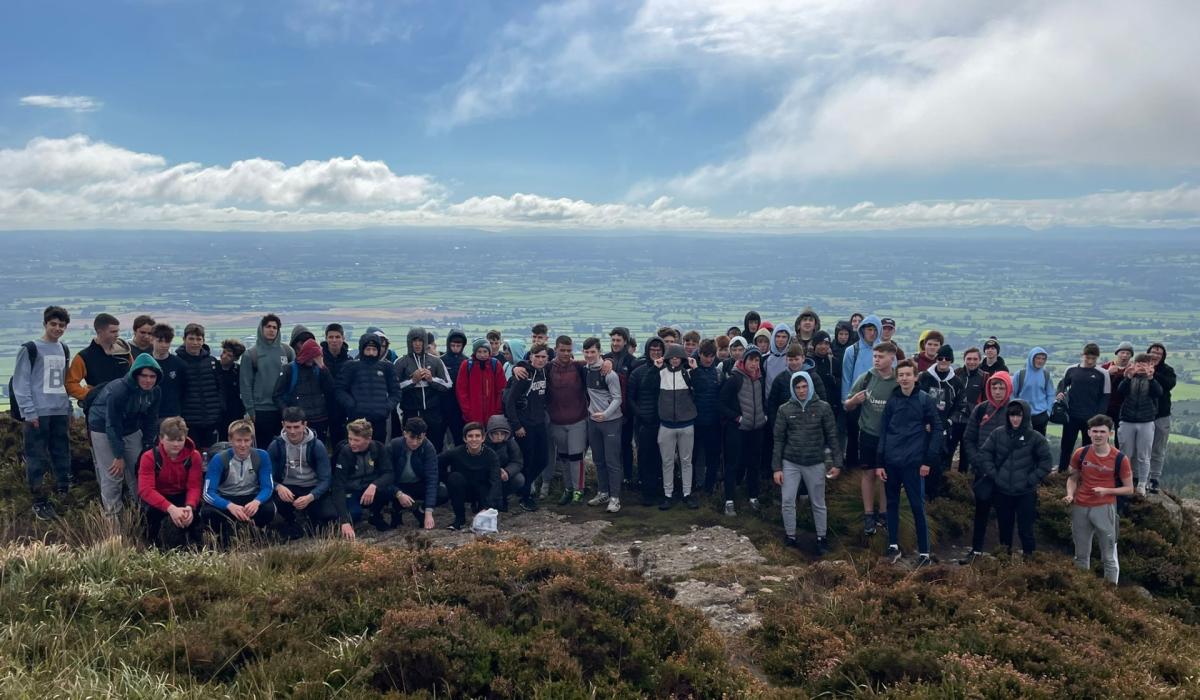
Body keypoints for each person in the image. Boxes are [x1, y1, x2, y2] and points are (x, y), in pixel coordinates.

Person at [876, 359, 942, 565]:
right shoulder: (892, 401)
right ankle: (893, 547)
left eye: (908, 374)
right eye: (901, 375)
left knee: (916, 506)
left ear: (915, 377)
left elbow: (937, 429)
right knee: (892, 505)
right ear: (897, 378)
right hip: (892, 462)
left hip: (914, 463)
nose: (904, 378)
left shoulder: (924, 400)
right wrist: (880, 463)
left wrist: (927, 461)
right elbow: (884, 431)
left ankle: (924, 553)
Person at [12, 305, 73, 519]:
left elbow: (64, 382)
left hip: (59, 411)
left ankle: (63, 492)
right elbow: (21, 383)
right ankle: (39, 499)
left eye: (61, 325)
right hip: (37, 413)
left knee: (61, 452)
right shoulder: (30, 349)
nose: (57, 328)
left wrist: (68, 408)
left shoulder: (64, 349)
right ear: (45, 324)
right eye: (53, 324)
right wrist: (29, 412)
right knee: (36, 456)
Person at [772, 371, 842, 554]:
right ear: (793, 389)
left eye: (804, 386)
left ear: (810, 386)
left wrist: (837, 463)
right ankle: (790, 537)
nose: (801, 390)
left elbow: (832, 435)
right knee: (787, 500)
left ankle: (821, 538)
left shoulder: (823, 408)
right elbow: (778, 439)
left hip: (815, 461)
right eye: (798, 387)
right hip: (791, 461)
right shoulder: (784, 409)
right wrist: (777, 468)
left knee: (818, 501)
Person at [88, 353, 162, 518]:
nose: (148, 380)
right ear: (135, 375)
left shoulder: (155, 392)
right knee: (113, 475)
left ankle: (144, 516)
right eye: (144, 376)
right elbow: (112, 424)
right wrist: (118, 454)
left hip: (131, 427)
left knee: (140, 471)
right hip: (103, 428)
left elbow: (151, 419)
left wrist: (148, 446)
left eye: (152, 376)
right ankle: (113, 523)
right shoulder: (119, 391)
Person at [976, 401, 1053, 557]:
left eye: (1019, 415)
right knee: (1004, 529)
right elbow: (985, 454)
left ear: (1025, 416)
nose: (1015, 419)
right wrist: (995, 475)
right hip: (1002, 490)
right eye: (1012, 415)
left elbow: (1046, 462)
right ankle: (1004, 564)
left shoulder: (1035, 437)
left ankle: (1030, 564)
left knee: (1026, 530)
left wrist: (1031, 479)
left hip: (1026, 492)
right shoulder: (998, 433)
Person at [1065, 415, 1134, 584]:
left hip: (1105, 507)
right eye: (1094, 431)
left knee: (1109, 557)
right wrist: (1069, 494)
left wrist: (1106, 491)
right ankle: (1083, 591)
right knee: (1080, 555)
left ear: (1110, 434)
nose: (1098, 435)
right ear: (1088, 432)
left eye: (1102, 432)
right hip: (1080, 506)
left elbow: (1129, 489)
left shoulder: (1120, 458)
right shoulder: (1080, 453)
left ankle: (1110, 594)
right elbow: (1072, 478)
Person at [843, 340, 898, 536]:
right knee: (868, 474)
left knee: (884, 475)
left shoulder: (898, 381)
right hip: (868, 434)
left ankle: (883, 513)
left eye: (880, 357)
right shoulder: (866, 378)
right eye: (875, 356)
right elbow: (847, 404)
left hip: (890, 437)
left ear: (891, 358)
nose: (876, 360)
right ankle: (868, 515)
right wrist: (854, 401)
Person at [960, 372, 1013, 564]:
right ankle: (975, 551)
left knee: (1005, 515)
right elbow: (969, 438)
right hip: (983, 473)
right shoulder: (981, 409)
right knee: (980, 513)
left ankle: (1004, 555)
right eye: (994, 387)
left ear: (1008, 388)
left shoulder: (1015, 410)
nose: (997, 391)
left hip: (1006, 475)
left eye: (1001, 388)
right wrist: (977, 461)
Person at [201, 419, 276, 544]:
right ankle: (222, 535)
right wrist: (229, 505)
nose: (243, 445)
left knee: (269, 509)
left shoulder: (262, 456)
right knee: (207, 512)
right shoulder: (219, 459)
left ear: (251, 440)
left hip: (251, 497)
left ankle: (257, 531)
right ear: (231, 440)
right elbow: (208, 493)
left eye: (246, 440)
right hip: (227, 498)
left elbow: (268, 487)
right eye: (238, 440)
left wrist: (256, 502)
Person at [267, 407, 336, 538]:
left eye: (296, 427)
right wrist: (278, 486)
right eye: (288, 427)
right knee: (274, 504)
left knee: (329, 516)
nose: (292, 431)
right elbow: (267, 476)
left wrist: (312, 496)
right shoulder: (276, 446)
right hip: (288, 487)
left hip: (311, 487)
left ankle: (309, 515)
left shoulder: (316, 445)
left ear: (305, 424)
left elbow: (326, 479)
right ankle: (291, 520)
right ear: (283, 425)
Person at [137, 416, 203, 549]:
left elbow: (194, 486)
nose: (176, 444)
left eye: (180, 440)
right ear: (161, 438)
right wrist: (171, 508)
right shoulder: (149, 457)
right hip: (158, 498)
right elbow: (145, 490)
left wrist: (189, 507)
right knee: (151, 529)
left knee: (196, 524)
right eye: (171, 440)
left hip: (183, 497)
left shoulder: (194, 456)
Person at [646, 342, 697, 511]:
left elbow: (701, 388)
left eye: (678, 357)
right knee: (667, 462)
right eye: (672, 357)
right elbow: (647, 385)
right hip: (666, 425)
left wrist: (694, 370)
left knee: (686, 461)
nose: (675, 360)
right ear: (668, 358)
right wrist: (655, 368)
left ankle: (687, 494)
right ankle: (668, 495)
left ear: (682, 358)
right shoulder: (660, 373)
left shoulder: (688, 373)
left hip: (687, 424)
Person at [719, 346, 768, 516]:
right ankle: (729, 501)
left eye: (757, 360)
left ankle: (753, 497)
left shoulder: (760, 379)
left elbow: (763, 401)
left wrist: (764, 416)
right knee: (733, 464)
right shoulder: (734, 379)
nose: (754, 364)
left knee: (754, 464)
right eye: (751, 360)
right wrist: (737, 418)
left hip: (756, 429)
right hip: (737, 429)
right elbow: (721, 404)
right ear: (744, 361)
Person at [330, 418, 395, 538]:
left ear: (368, 439)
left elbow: (389, 473)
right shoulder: (345, 452)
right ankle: (345, 522)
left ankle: (375, 515)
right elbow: (338, 486)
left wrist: (374, 485)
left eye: (356, 440)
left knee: (391, 491)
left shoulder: (378, 448)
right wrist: (344, 521)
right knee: (353, 514)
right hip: (352, 490)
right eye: (350, 439)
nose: (351, 443)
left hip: (370, 488)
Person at [504, 342, 550, 511]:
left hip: (539, 423)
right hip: (524, 426)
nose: (540, 359)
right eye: (536, 356)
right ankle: (525, 496)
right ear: (530, 357)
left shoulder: (545, 371)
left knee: (543, 459)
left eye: (543, 357)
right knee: (528, 461)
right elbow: (509, 402)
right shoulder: (524, 374)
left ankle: (523, 486)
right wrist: (517, 426)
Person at [239, 314, 295, 448]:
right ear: (261, 328)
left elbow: (294, 380)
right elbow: (245, 385)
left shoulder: (287, 351)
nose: (271, 330)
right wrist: (251, 411)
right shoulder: (251, 354)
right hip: (261, 410)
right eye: (268, 326)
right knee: (264, 449)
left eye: (275, 327)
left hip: (283, 409)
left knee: (284, 449)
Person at [582, 337, 624, 512]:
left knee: (612, 461)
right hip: (594, 422)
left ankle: (615, 498)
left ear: (600, 352)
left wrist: (605, 414)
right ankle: (603, 492)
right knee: (599, 460)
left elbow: (618, 398)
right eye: (587, 352)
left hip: (611, 422)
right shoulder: (585, 369)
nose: (590, 355)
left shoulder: (609, 373)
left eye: (593, 352)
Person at [395, 326, 453, 452]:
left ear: (425, 342)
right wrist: (412, 381)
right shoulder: (401, 362)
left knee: (435, 446)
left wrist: (432, 380)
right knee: (411, 447)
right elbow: (394, 387)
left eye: (420, 340)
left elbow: (448, 385)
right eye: (414, 341)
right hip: (411, 413)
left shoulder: (436, 361)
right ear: (409, 342)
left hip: (433, 413)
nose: (417, 344)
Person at [1055, 343, 1110, 473]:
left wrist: (1099, 418)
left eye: (1093, 359)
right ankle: (1062, 471)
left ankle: (1086, 472)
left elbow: (1106, 396)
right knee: (1066, 445)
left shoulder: (1103, 373)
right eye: (1088, 358)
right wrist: (1060, 392)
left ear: (1097, 358)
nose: (1090, 361)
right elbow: (1062, 384)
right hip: (1071, 415)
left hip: (1091, 418)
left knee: (1089, 447)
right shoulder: (1071, 369)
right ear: (1082, 355)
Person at [336, 332, 401, 442]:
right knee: (356, 449)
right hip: (357, 420)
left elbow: (396, 392)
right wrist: (351, 405)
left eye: (374, 349)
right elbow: (339, 389)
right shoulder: (351, 366)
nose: (371, 353)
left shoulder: (387, 367)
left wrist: (386, 407)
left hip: (379, 420)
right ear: (362, 349)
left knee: (377, 452)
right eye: (368, 349)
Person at [917, 344, 963, 499]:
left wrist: (948, 423)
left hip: (944, 431)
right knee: (920, 463)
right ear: (936, 358)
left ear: (951, 360)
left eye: (947, 358)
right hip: (923, 429)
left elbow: (960, 407)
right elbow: (917, 401)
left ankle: (935, 500)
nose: (943, 361)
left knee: (939, 466)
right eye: (941, 357)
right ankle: (919, 497)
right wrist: (924, 422)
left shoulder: (956, 382)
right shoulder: (924, 377)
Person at [440, 422, 501, 531]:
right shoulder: (456, 452)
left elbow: (495, 482)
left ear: (483, 438)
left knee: (485, 487)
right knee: (455, 478)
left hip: (482, 490)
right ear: (464, 439)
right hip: (463, 490)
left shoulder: (491, 455)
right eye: (470, 436)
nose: (474, 439)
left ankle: (481, 514)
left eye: (477, 436)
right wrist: (447, 479)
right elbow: (436, 463)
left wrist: (488, 506)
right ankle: (459, 519)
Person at [1117, 354, 1163, 496]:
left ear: (1151, 366)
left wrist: (1150, 378)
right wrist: (1127, 377)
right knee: (1126, 454)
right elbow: (1120, 392)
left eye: (1145, 364)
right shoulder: (1129, 378)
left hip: (1146, 421)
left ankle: (1142, 483)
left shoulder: (1153, 379)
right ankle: (1124, 481)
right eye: (1139, 364)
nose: (1141, 367)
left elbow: (1158, 393)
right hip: (1127, 420)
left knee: (1144, 455)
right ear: (1134, 365)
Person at [840, 314, 881, 473]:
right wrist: (846, 401)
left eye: (874, 329)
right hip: (855, 400)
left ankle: (871, 469)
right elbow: (846, 377)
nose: (871, 333)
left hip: (877, 402)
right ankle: (851, 470)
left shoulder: (884, 351)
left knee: (872, 438)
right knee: (853, 437)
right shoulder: (852, 350)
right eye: (868, 329)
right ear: (862, 330)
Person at [66, 312, 133, 410]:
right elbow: (70, 383)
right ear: (99, 332)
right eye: (113, 332)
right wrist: (91, 395)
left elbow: (135, 375)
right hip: (97, 411)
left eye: (117, 331)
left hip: (126, 407)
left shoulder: (124, 352)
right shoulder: (84, 357)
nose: (117, 335)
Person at [273, 338, 335, 442]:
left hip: (320, 418)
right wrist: (287, 413)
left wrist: (323, 368)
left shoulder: (320, 369)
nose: (313, 360)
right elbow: (277, 395)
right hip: (298, 421)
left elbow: (331, 390)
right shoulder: (290, 369)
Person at [388, 416, 443, 529]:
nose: (415, 442)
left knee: (442, 492)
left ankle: (420, 509)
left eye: (419, 438)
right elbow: (385, 475)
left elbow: (431, 478)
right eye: (412, 437)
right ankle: (395, 511)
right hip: (397, 486)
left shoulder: (428, 447)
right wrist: (398, 493)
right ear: (405, 433)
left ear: (424, 436)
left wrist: (428, 512)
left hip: (417, 485)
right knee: (378, 488)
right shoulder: (394, 445)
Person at [629, 336, 666, 505]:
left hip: (663, 422)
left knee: (661, 458)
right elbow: (630, 398)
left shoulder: (668, 370)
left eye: (659, 350)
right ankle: (647, 492)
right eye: (653, 350)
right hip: (644, 423)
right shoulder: (638, 371)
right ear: (647, 350)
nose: (656, 352)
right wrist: (640, 414)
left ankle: (660, 490)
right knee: (645, 457)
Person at [175, 323, 224, 449]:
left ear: (203, 341)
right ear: (184, 339)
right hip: (188, 422)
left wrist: (219, 412)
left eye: (198, 339)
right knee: (191, 455)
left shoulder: (212, 362)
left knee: (212, 454)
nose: (195, 343)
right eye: (191, 339)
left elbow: (220, 388)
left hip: (212, 420)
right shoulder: (177, 362)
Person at [606, 326, 638, 486]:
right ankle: (612, 477)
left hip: (626, 412)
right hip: (607, 411)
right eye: (613, 340)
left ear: (625, 341)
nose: (615, 343)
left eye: (618, 340)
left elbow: (633, 390)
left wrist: (629, 411)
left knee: (625, 445)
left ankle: (627, 477)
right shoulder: (605, 359)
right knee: (611, 446)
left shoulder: (632, 362)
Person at [691, 339, 723, 495]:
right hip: (695, 422)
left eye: (711, 356)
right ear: (700, 354)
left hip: (713, 423)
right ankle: (691, 487)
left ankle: (709, 489)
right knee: (693, 458)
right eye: (705, 355)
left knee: (713, 459)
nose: (709, 359)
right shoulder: (691, 370)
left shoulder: (718, 372)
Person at [950, 347, 988, 474]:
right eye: (969, 359)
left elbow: (986, 401)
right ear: (964, 359)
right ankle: (944, 484)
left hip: (971, 422)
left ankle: (962, 485)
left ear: (980, 360)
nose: (972, 362)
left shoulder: (984, 377)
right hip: (954, 420)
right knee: (947, 453)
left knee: (966, 457)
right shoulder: (956, 373)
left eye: (975, 359)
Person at [455, 338, 508, 429]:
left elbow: (502, 389)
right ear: (475, 352)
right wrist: (468, 412)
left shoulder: (495, 365)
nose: (482, 355)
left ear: (489, 352)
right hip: (473, 414)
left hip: (493, 414)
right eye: (479, 351)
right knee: (475, 438)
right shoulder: (466, 365)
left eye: (485, 351)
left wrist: (497, 410)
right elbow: (461, 391)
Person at [1146, 343, 1176, 494]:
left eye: (1159, 353)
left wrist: (1153, 373)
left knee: (1158, 449)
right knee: (1142, 449)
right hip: (1143, 415)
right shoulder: (1140, 366)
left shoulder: (1168, 370)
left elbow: (1169, 384)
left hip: (1162, 415)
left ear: (1163, 356)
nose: (1155, 355)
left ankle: (1154, 479)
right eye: (1153, 352)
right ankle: (1140, 477)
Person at [485, 415, 525, 511]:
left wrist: (507, 471)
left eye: (502, 434)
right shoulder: (482, 443)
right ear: (490, 433)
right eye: (496, 434)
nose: (499, 437)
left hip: (504, 473)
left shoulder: (510, 442)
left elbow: (517, 461)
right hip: (486, 473)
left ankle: (504, 497)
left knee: (519, 479)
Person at [322, 323, 352, 445]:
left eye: (337, 337)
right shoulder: (318, 359)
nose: (334, 340)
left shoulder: (350, 361)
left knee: (341, 445)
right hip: (322, 408)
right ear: (326, 338)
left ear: (343, 339)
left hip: (342, 410)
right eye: (331, 337)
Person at [1013, 347, 1054, 435]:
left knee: (1038, 445)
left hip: (1041, 416)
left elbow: (1050, 394)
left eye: (1043, 359)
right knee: (1021, 443)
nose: (1041, 361)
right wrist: (1014, 411)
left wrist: (1048, 412)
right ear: (1031, 358)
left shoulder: (1046, 375)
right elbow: (1012, 394)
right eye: (1038, 358)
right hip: (1022, 415)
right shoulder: (1020, 375)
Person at [148, 323, 184, 420]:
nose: (164, 345)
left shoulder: (179, 364)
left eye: (167, 342)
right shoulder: (145, 362)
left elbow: (184, 390)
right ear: (152, 339)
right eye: (160, 341)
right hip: (147, 414)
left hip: (172, 414)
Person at [1103, 341, 1135, 433]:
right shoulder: (1106, 367)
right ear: (1117, 353)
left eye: (1128, 353)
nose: (1124, 356)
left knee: (1121, 435)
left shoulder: (1133, 369)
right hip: (1106, 406)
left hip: (1124, 407)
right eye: (1122, 352)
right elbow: (1097, 385)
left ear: (1131, 356)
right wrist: (1107, 373)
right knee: (1103, 432)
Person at [217, 339, 246, 442]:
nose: (224, 356)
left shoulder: (239, 372)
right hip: (216, 414)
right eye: (224, 352)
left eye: (229, 355)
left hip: (234, 414)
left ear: (235, 358)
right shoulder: (213, 369)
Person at [764, 323, 793, 388]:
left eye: (784, 337)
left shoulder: (791, 357)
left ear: (788, 339)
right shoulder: (765, 358)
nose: (780, 340)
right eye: (778, 336)